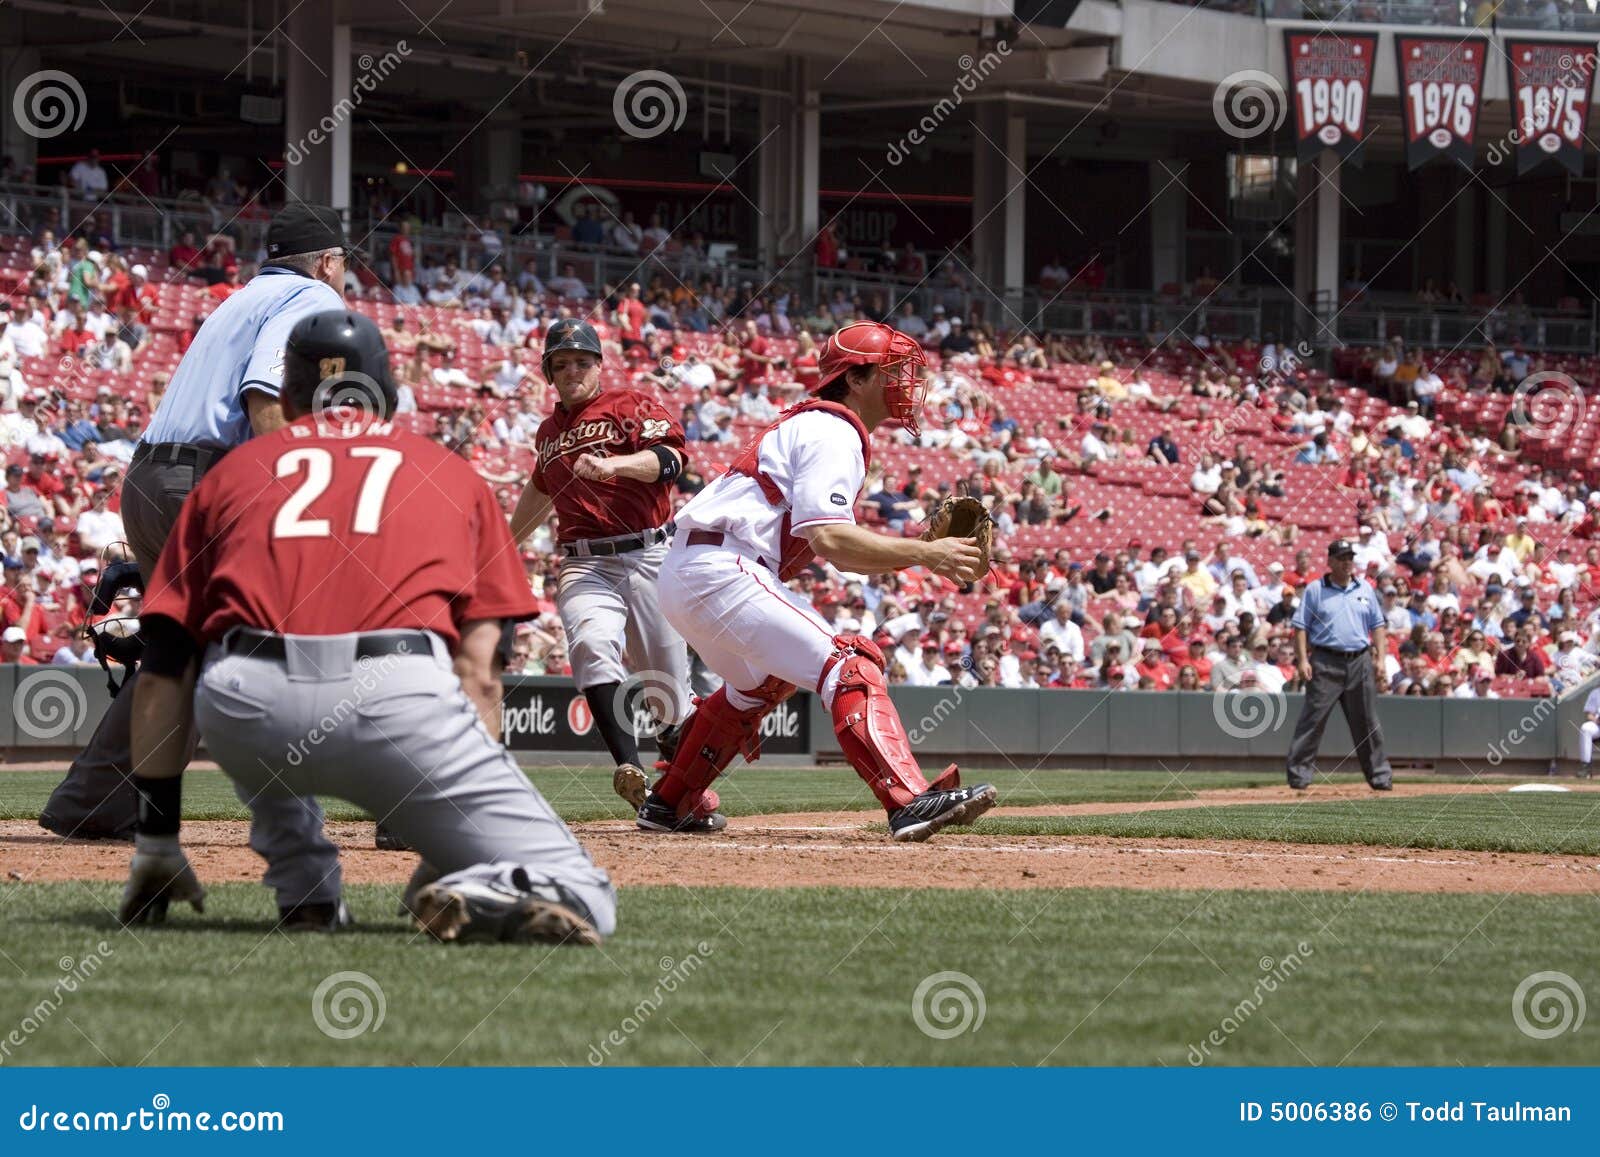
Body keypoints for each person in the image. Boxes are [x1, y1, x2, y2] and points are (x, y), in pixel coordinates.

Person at [116, 310, 614, 944]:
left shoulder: (232, 475)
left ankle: (304, 891)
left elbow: (164, 671)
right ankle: (469, 881)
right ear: (389, 391)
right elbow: (481, 674)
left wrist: (155, 841)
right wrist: (452, 837)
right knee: (585, 893)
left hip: (248, 704)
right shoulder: (449, 472)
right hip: (398, 698)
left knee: (240, 683)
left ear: (289, 395)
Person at [40, 203, 350, 843]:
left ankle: (93, 804)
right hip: (204, 483)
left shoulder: (240, 298)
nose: (345, 277)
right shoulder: (310, 295)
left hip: (151, 477)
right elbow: (263, 392)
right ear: (325, 261)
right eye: (344, 264)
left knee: (181, 653)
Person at [647, 320, 997, 840]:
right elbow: (834, 544)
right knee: (848, 664)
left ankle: (670, 802)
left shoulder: (814, 426)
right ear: (854, 379)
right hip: (722, 569)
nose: (906, 382)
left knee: (756, 686)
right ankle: (908, 800)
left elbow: (837, 546)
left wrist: (919, 552)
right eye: (892, 371)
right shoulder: (833, 428)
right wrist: (927, 554)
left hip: (690, 572)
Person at [508, 320, 692, 805]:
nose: (573, 371)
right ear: (548, 373)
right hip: (584, 561)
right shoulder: (548, 433)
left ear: (599, 366)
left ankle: (675, 762)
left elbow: (672, 460)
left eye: (582, 362)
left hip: (650, 552)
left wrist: (616, 466)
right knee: (590, 645)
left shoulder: (630, 404)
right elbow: (540, 489)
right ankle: (629, 766)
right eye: (561, 364)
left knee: (669, 698)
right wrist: (506, 542)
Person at [1285, 539, 1393, 791]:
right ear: (1330, 561)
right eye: (1342, 558)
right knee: (1313, 719)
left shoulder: (1364, 588)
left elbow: (1378, 625)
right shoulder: (1315, 589)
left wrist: (1380, 659)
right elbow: (1300, 627)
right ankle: (1299, 775)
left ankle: (1379, 776)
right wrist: (1302, 660)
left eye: (1350, 558)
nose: (1347, 563)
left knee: (1367, 721)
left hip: (1360, 660)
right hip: (1325, 660)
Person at [1578, 686, 1599, 779]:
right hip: (1598, 725)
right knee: (1586, 728)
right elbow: (1589, 714)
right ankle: (1585, 767)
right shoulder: (1596, 692)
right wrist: (1597, 720)